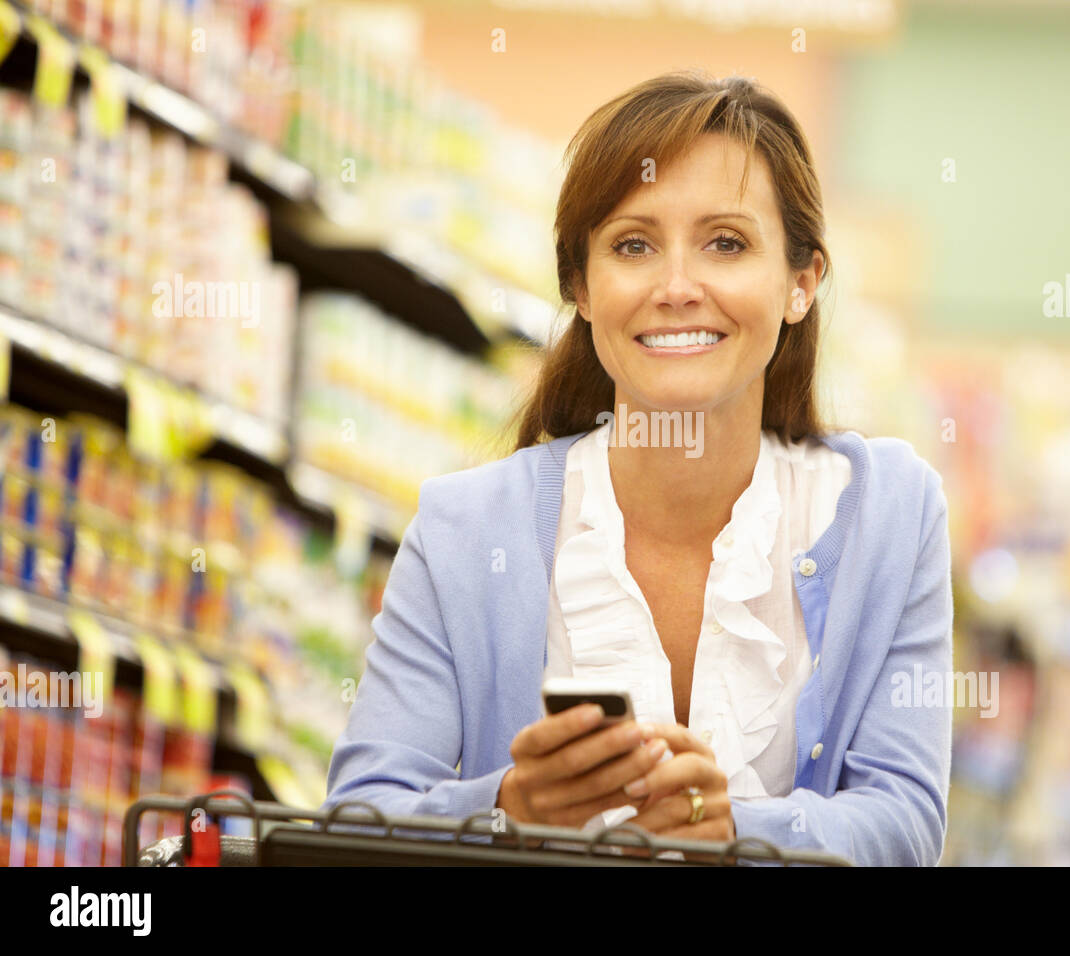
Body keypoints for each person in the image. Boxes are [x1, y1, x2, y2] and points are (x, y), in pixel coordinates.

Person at [321, 70, 954, 866]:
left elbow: (905, 823)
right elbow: (355, 824)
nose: (677, 287)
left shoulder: (888, 513)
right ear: (581, 287)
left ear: (801, 283)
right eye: (633, 245)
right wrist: (505, 810)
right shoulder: (465, 527)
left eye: (726, 243)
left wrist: (737, 834)